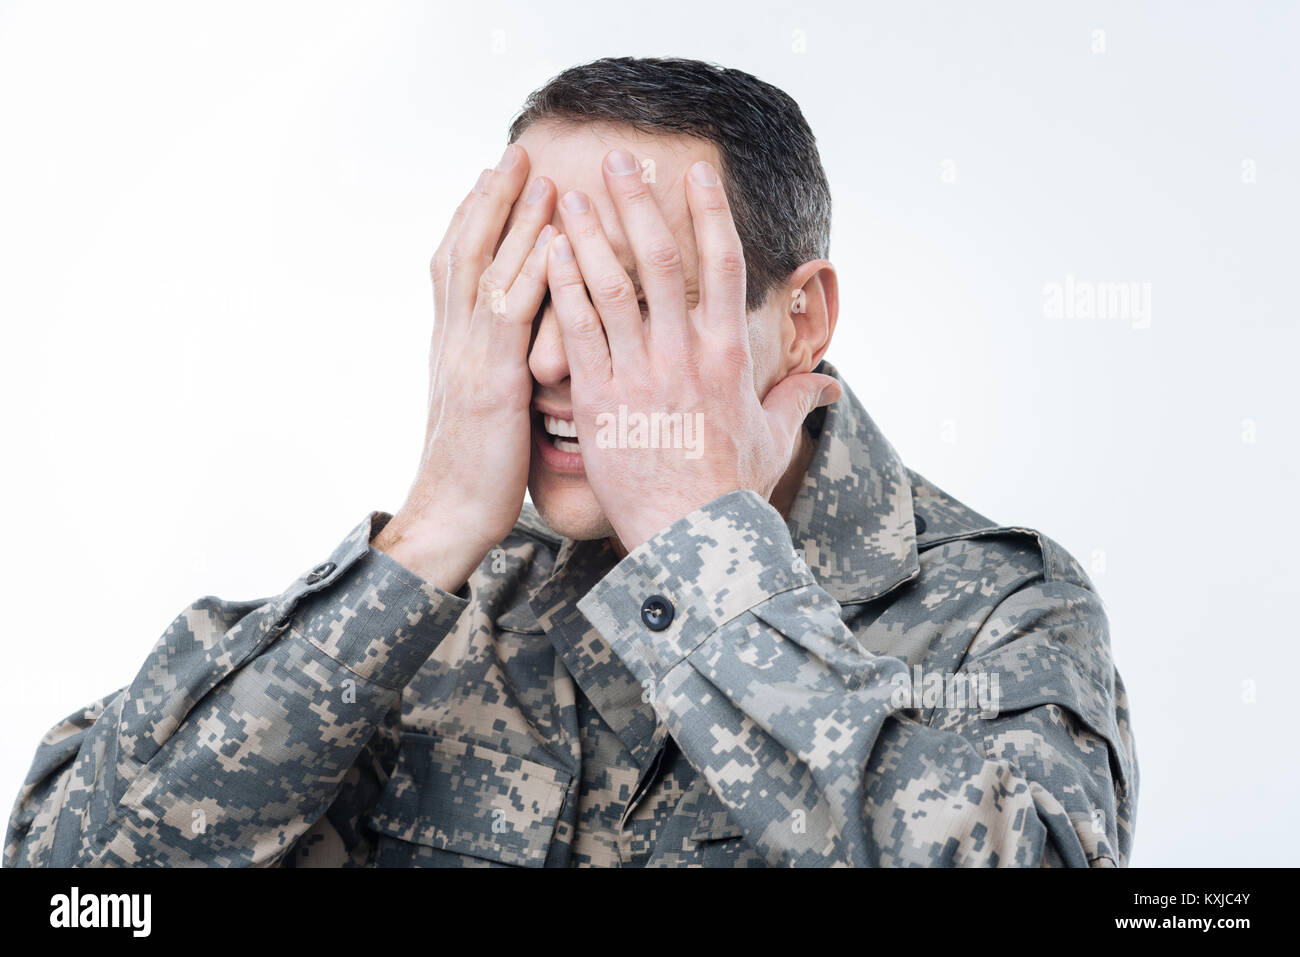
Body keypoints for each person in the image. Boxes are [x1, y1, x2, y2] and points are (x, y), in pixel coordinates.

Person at [6, 56, 1136, 868]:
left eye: (624, 302)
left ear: (798, 322)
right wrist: (433, 529)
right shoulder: (447, 597)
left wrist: (700, 549)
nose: (549, 357)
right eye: (529, 289)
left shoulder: (999, 613)